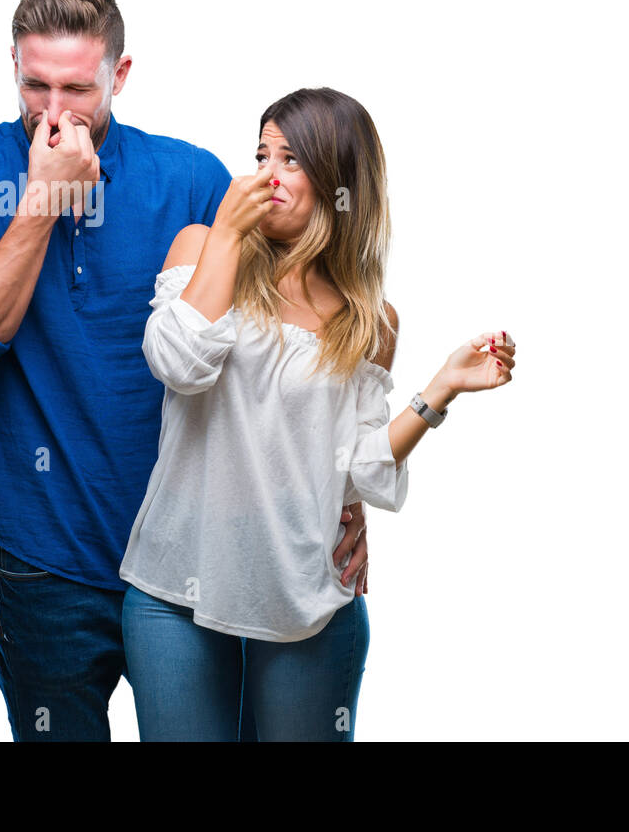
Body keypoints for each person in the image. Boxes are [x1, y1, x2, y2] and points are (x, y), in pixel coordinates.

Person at [0, 0, 368, 741]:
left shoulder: (190, 179)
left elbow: (283, 354)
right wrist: (42, 201)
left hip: (197, 559)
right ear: (13, 69)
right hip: (44, 560)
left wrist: (340, 490)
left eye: (77, 88)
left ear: (119, 76)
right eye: (34, 84)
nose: (53, 112)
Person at [118, 87, 516, 741]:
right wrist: (225, 234)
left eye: (291, 159)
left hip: (306, 595)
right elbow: (177, 363)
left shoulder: (371, 320)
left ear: (337, 181)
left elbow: (357, 471)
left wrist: (439, 390)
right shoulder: (201, 249)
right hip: (176, 587)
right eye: (260, 154)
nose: (267, 174)